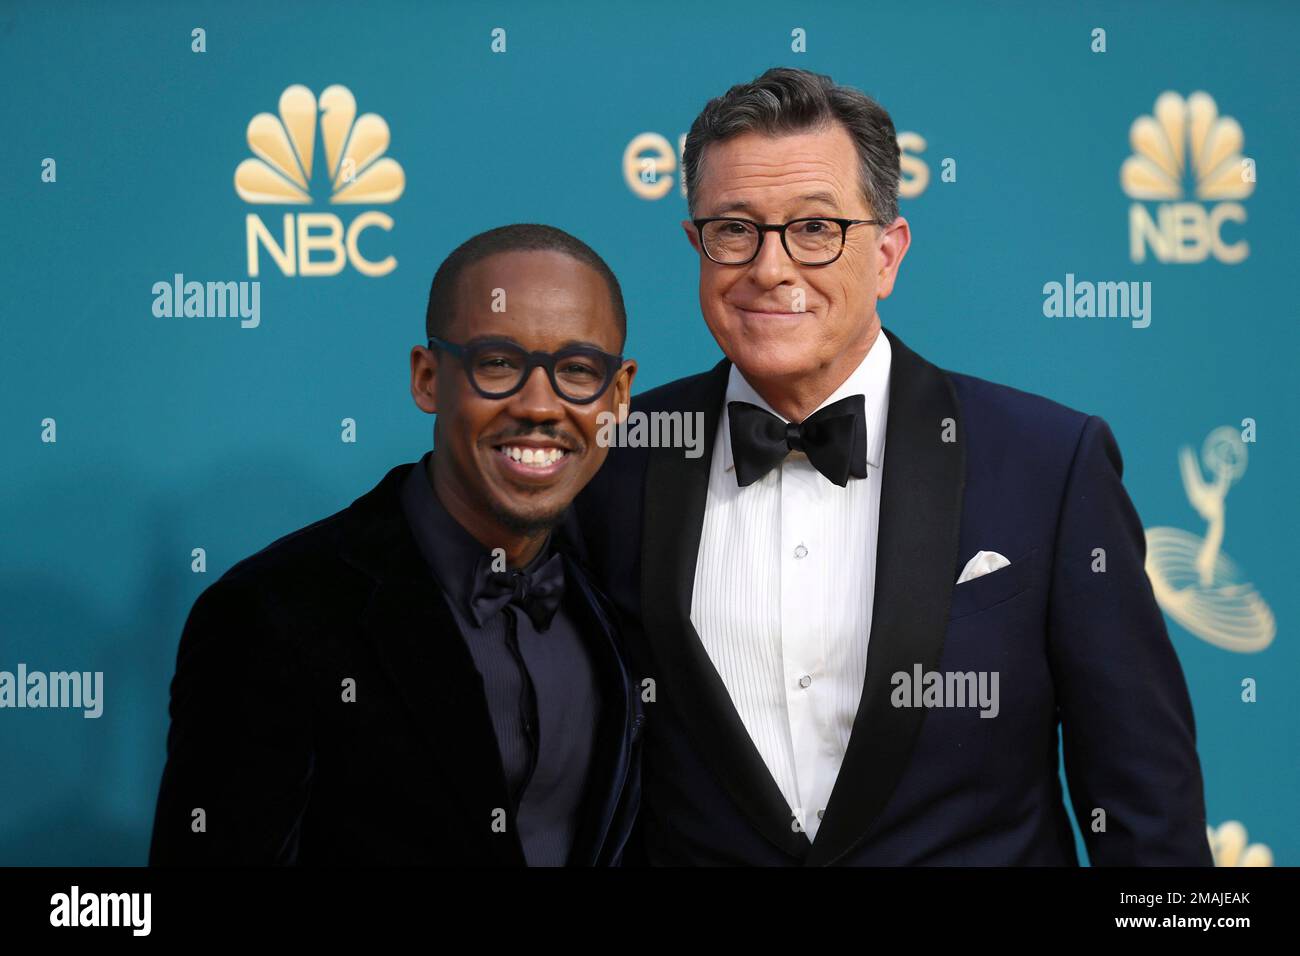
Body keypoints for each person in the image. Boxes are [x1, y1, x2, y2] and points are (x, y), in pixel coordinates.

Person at [576, 67, 1212, 865]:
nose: (770, 268)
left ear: (886, 253)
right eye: (735, 229)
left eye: (815, 228)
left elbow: (1146, 809)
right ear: (696, 246)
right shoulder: (615, 454)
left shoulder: (1050, 464)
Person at [150, 224, 642, 866]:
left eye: (578, 370)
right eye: (498, 364)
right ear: (429, 377)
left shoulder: (619, 603)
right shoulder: (271, 615)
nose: (540, 406)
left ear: (620, 395)